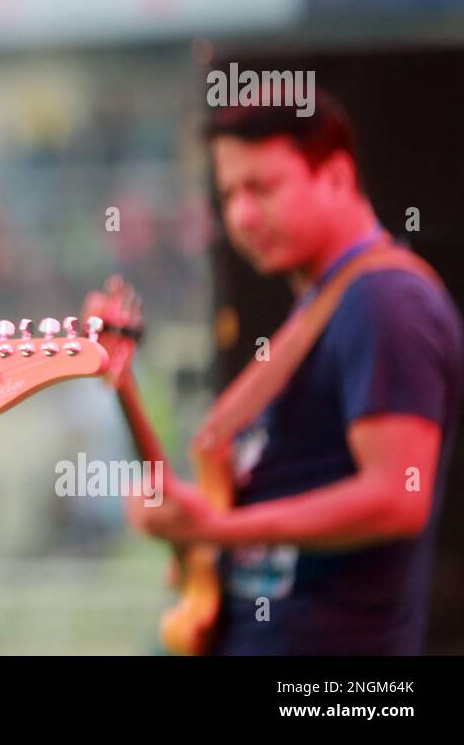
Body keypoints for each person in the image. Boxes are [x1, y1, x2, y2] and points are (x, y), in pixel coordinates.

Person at [95, 91, 461, 654]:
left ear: (336, 176)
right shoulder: (324, 305)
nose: (240, 214)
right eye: (228, 194)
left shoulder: (387, 300)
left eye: (261, 188)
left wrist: (216, 531)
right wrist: (196, 528)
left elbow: (398, 497)